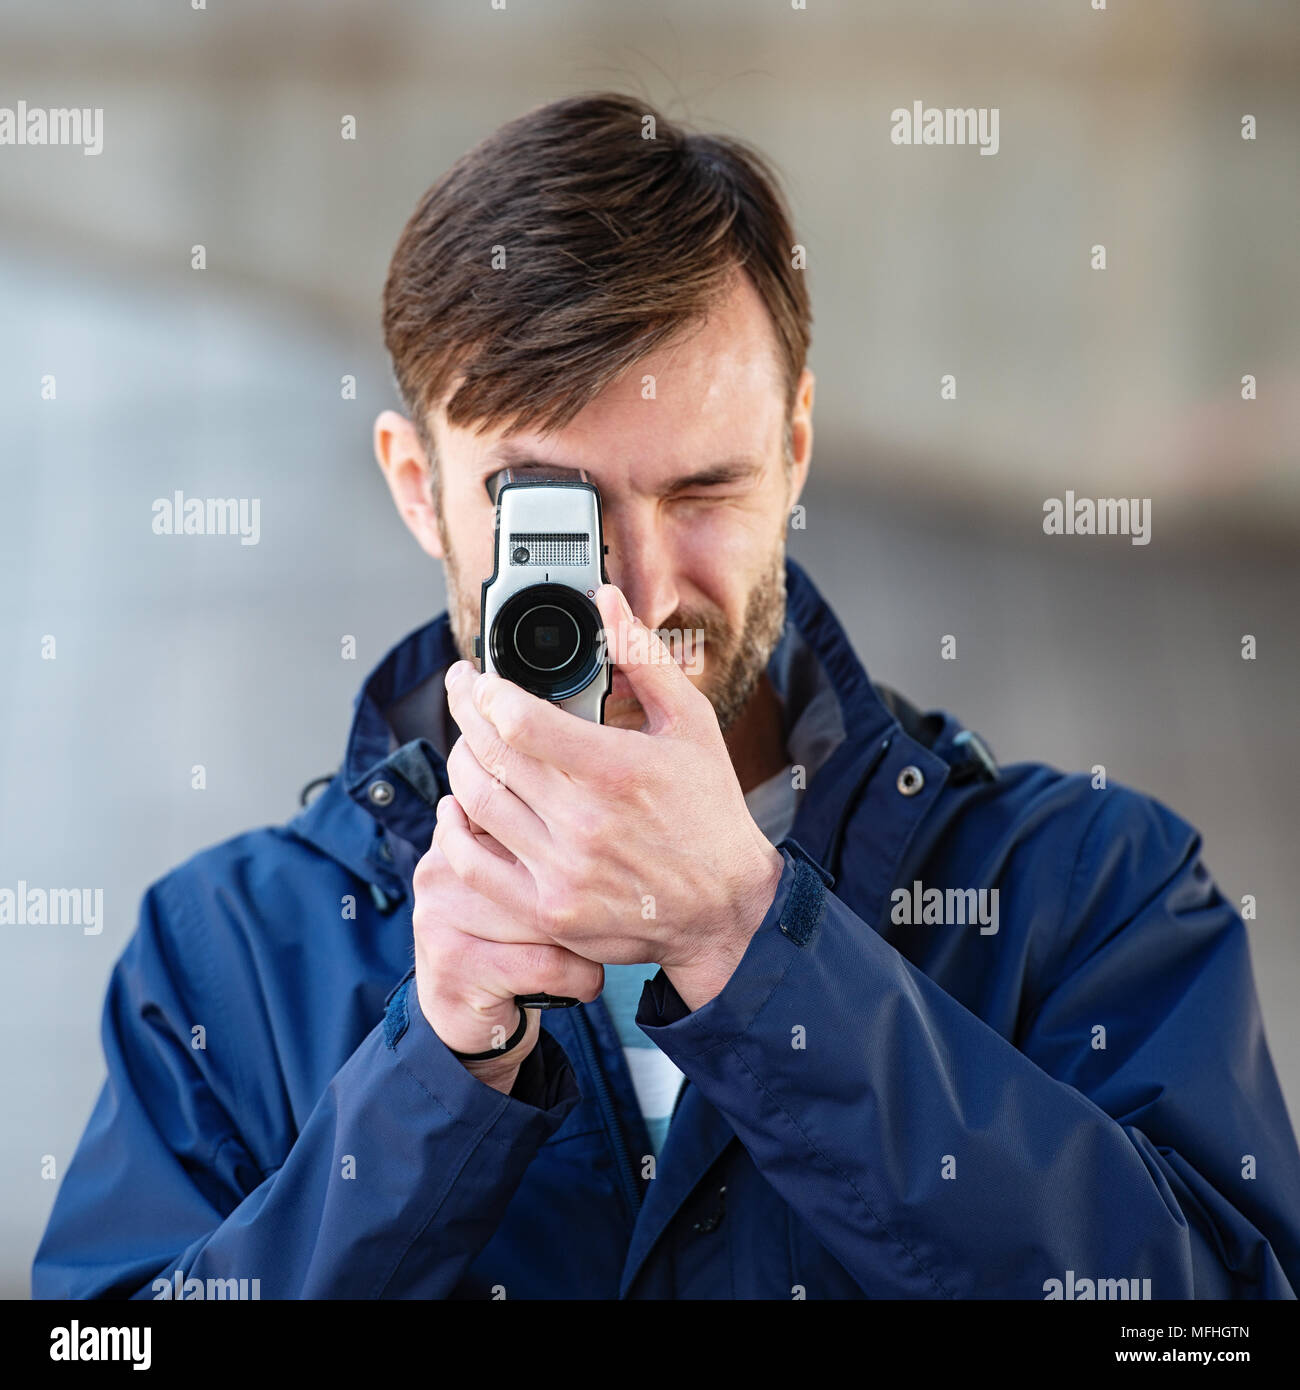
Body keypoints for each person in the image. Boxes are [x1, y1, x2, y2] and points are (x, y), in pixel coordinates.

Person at [33, 93, 1300, 1300]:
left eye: (699, 493)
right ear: (418, 486)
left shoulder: (1091, 888)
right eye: (549, 514)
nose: (633, 595)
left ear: (796, 446)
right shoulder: (227, 952)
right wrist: (433, 1076)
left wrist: (757, 947)